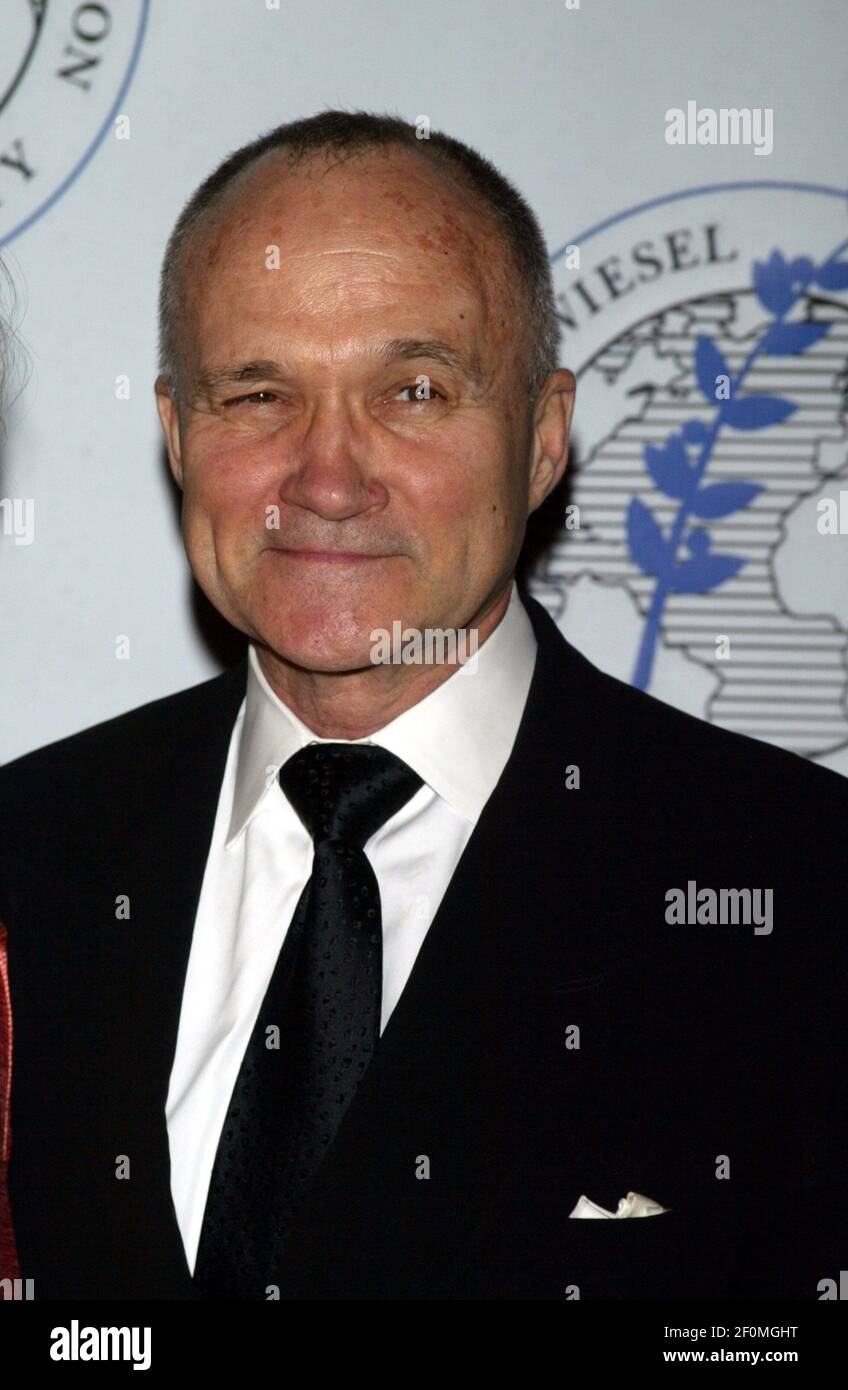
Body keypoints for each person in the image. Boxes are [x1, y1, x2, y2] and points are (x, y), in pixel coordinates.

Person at [1, 110, 845, 1301]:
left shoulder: (801, 888)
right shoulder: (29, 859)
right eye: (257, 394)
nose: (328, 478)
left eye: (412, 387)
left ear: (544, 439)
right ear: (176, 434)